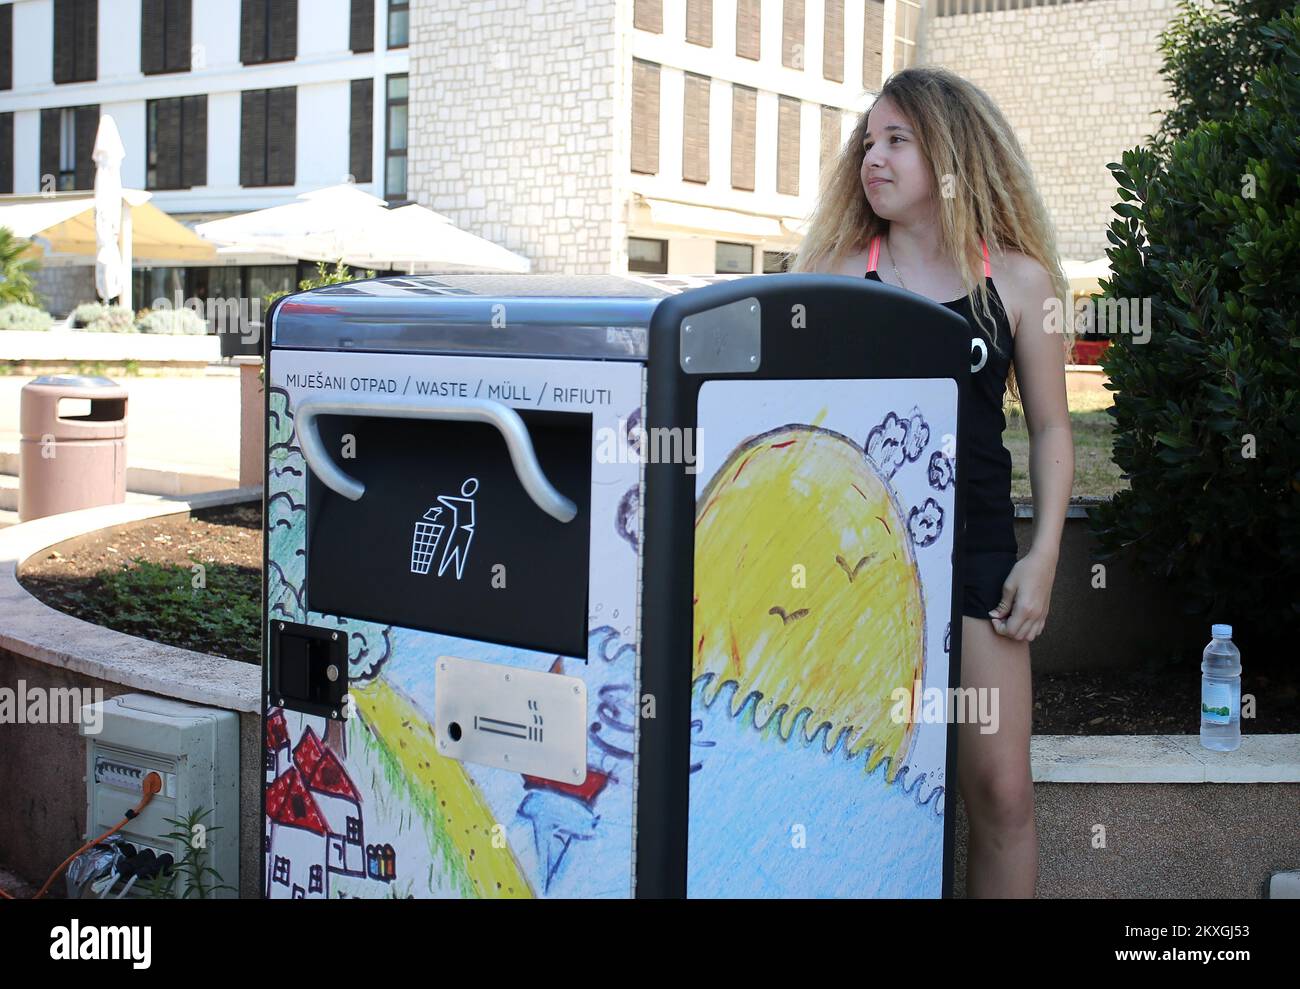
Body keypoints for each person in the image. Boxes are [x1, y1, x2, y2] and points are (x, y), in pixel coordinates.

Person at [790, 67, 1075, 897]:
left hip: (979, 561)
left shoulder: (1018, 283)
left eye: (897, 140)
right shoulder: (834, 279)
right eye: (868, 141)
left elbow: (1055, 428)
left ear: (950, 153)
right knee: (859, 794)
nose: (872, 157)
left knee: (1002, 793)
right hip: (858, 570)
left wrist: (1047, 553)